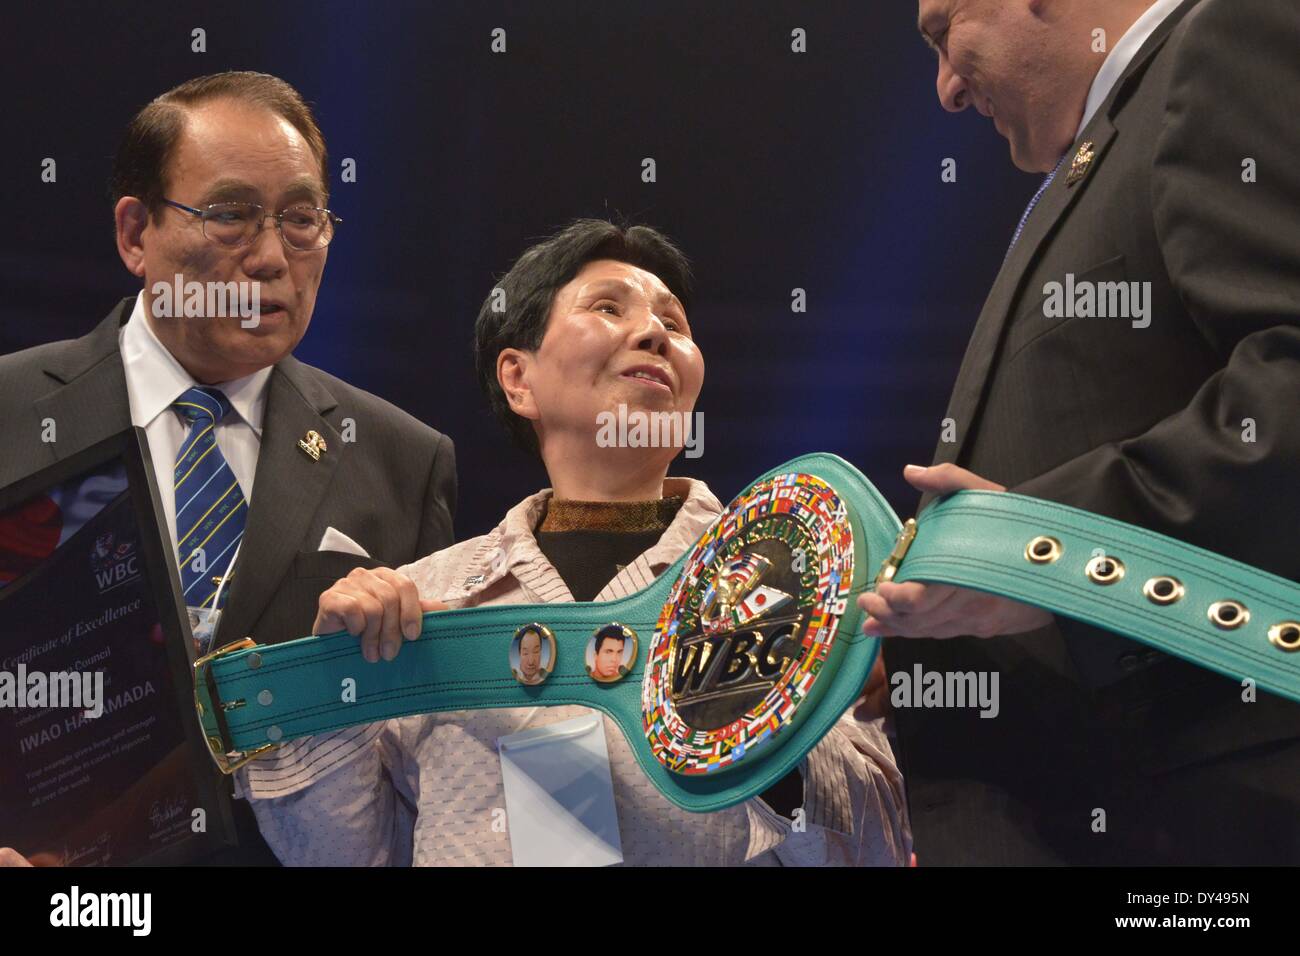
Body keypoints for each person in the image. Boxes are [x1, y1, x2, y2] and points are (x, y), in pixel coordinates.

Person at [236, 220, 912, 866]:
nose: (653, 332)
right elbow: (337, 855)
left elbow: (876, 850)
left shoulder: (793, 581)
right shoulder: (423, 600)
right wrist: (337, 681)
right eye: (609, 307)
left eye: (673, 323)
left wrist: (769, 731)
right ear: (519, 379)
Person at [862, 0, 1300, 864]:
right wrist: (918, 652)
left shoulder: (1217, 42)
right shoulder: (1101, 154)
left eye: (943, 31)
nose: (946, 88)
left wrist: (1046, 553)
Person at [0, 71, 456, 867]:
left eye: (302, 219)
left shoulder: (402, 460)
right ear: (136, 234)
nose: (272, 258)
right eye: (232, 216)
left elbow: (418, 757)